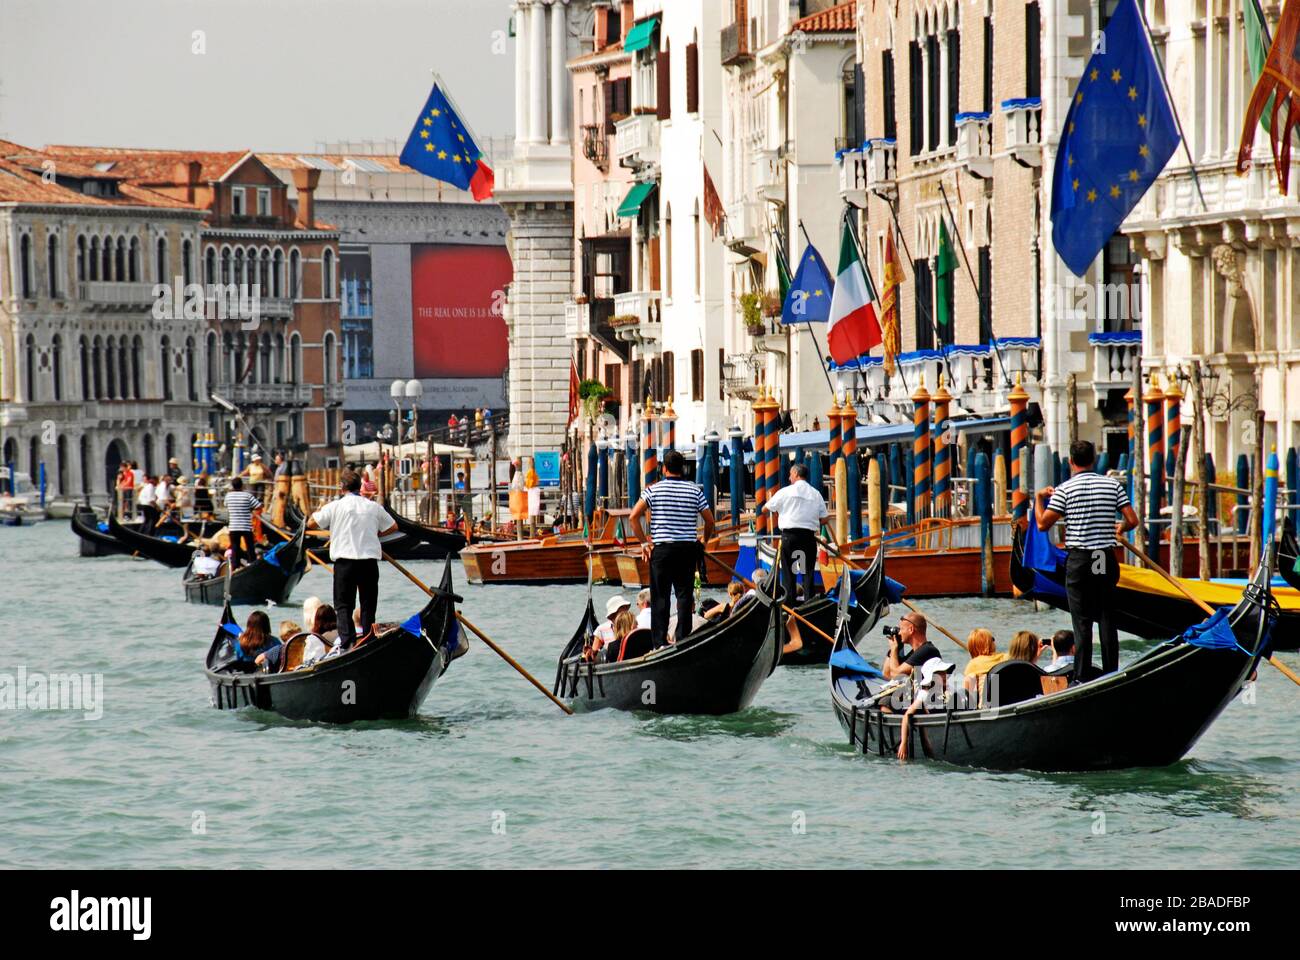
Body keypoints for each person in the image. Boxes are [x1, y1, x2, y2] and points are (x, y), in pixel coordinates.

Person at [1035, 439, 1140, 681]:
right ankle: (1111, 673)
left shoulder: (1065, 489)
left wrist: (1039, 499)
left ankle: (1081, 677)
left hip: (1080, 559)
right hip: (1102, 557)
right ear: (1093, 459)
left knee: (1082, 621)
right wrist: (1120, 528)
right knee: (1106, 616)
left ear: (1071, 462)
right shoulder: (1113, 486)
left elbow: (1042, 524)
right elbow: (1132, 520)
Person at [628, 449, 717, 649]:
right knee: (684, 596)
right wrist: (704, 541)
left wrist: (644, 543)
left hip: (662, 551)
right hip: (686, 550)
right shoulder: (695, 490)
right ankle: (683, 639)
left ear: (664, 469)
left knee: (660, 597)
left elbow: (633, 517)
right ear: (683, 469)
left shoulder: (653, 490)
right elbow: (710, 521)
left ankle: (659, 643)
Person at [309, 468, 399, 650]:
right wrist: (376, 534)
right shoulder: (373, 507)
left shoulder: (335, 506)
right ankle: (367, 640)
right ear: (360, 487)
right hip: (368, 562)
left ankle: (348, 642)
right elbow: (394, 526)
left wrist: (331, 525)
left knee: (343, 605)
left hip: (345, 564)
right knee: (367, 604)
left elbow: (311, 523)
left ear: (342, 488)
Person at [762, 462, 829, 608]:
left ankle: (789, 607)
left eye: (791, 474)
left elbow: (764, 509)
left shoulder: (785, 492)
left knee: (789, 574)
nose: (789, 477)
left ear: (796, 474)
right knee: (807, 573)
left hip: (790, 538)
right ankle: (809, 605)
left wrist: (782, 511)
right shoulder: (815, 494)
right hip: (807, 538)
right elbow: (825, 519)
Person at [897, 657, 956, 760]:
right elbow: (907, 716)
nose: (945, 676)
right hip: (930, 729)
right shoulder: (924, 694)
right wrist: (904, 742)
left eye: (945, 673)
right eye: (941, 674)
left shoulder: (949, 690)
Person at [881, 611, 941, 681]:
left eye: (901, 629)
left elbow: (896, 675)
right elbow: (887, 675)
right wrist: (897, 647)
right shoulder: (915, 653)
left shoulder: (927, 650)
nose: (899, 633)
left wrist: (894, 649)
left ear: (911, 629)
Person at [962, 628, 1009, 703]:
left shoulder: (973, 664)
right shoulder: (1005, 657)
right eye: (992, 639)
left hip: (986, 705)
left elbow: (966, 691)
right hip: (1009, 699)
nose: (994, 641)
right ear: (989, 643)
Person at [224, 476, 262, 568]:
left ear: (232, 486)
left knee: (235, 547)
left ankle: (235, 566)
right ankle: (251, 563)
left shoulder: (228, 496)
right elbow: (259, 506)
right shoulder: (247, 495)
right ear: (242, 485)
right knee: (250, 546)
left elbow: (226, 505)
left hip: (233, 527)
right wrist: (250, 508)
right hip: (246, 526)